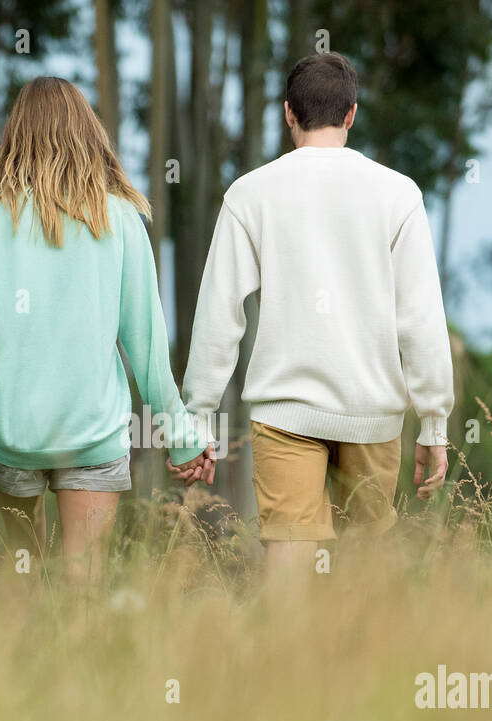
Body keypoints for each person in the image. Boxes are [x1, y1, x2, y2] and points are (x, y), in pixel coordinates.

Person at [172, 52, 454, 576]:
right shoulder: (399, 195)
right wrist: (434, 424)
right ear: (351, 114)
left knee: (287, 560)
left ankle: (285, 659)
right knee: (367, 571)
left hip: (284, 414)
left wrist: (198, 418)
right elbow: (421, 319)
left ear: (288, 113)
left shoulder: (249, 194)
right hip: (373, 413)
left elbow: (218, 316)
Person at [0, 76, 213, 582]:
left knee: (21, 585)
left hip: (11, 436)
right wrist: (180, 435)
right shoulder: (119, 217)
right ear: (89, 133)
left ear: (14, 135)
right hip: (93, 434)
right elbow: (148, 344)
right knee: (84, 592)